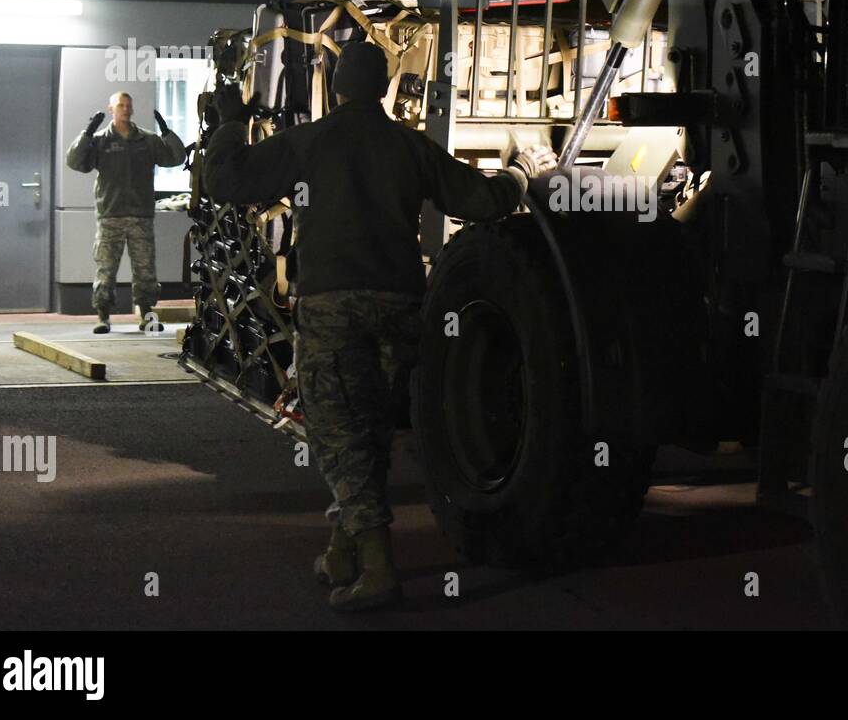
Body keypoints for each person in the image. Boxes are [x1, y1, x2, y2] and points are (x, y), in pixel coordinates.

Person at [204, 41, 556, 612]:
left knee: (341, 434)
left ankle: (377, 567)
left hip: (332, 308)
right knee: (369, 432)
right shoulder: (408, 146)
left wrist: (229, 123)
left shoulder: (310, 142)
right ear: (384, 86)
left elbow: (224, 180)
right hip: (399, 308)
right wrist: (521, 175)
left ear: (339, 85)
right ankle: (343, 551)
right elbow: (482, 199)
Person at [65, 91, 186, 334]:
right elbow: (75, 162)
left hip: (140, 215)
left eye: (129, 105)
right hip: (111, 215)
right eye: (120, 105)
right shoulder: (100, 141)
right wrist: (87, 133)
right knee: (106, 269)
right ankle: (103, 317)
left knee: (145, 270)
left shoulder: (148, 140)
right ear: (111, 109)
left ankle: (147, 316)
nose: (126, 109)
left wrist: (166, 131)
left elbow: (176, 157)